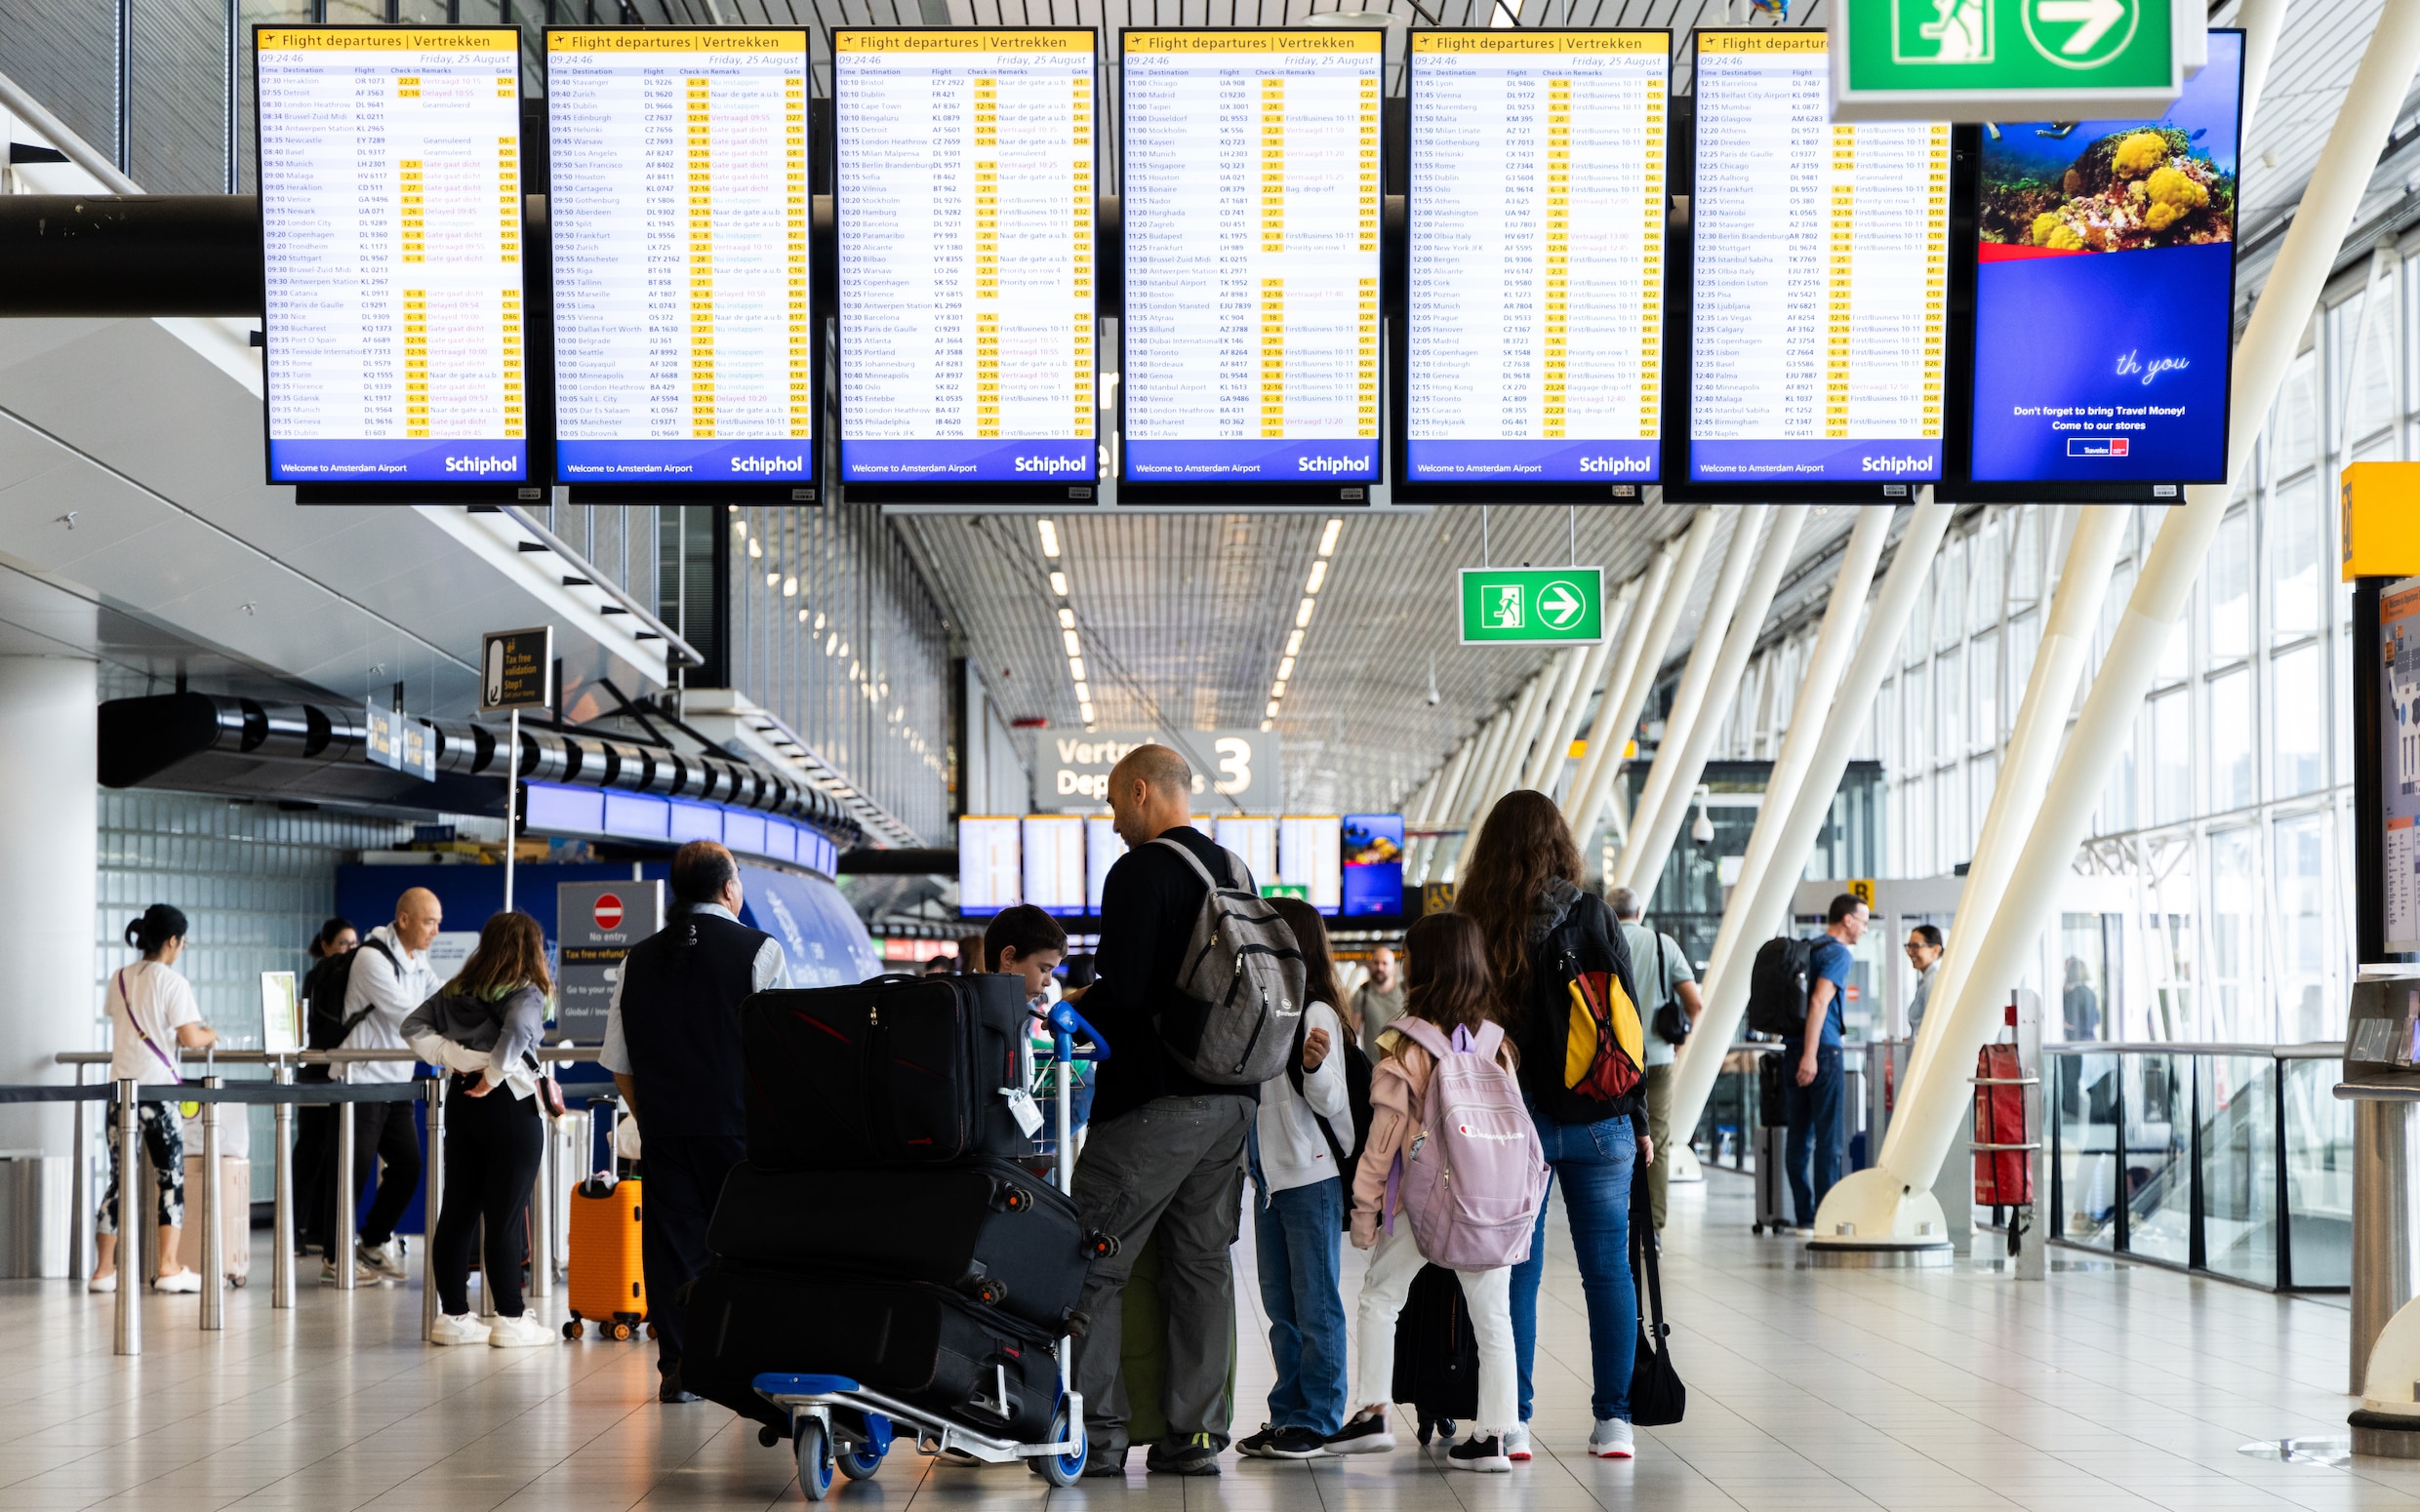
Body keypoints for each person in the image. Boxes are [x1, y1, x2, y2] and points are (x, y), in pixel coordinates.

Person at [1061, 743, 1257, 1477]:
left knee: (1086, 1260)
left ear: (1141, 792)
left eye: (1114, 804)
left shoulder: (1141, 871)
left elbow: (1130, 990)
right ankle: (1196, 1435)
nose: (1113, 822)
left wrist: (1078, 1004)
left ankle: (1100, 1436)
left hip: (1155, 1102)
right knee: (1202, 1266)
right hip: (1233, 1101)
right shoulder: (1232, 869)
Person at [1455, 790, 1645, 1462]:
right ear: (1560, 843)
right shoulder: (1591, 911)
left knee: (1518, 1272)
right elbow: (1624, 1020)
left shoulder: (1476, 918)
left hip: (1511, 1123)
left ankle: (1515, 1422)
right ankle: (1614, 1424)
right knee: (1608, 1273)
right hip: (1600, 1115)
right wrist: (1639, 1117)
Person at [1333, 912, 1522, 1472]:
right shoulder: (1499, 1047)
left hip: (1427, 1206)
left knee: (1380, 1297)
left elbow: (1381, 1144)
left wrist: (1365, 1214)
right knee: (1494, 1320)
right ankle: (1493, 1438)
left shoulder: (1408, 1050)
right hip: (1489, 1205)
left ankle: (1372, 1410)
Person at [602, 840, 787, 1402]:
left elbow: (618, 1061)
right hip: (740, 1130)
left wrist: (651, 1115)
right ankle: (747, 1361)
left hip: (665, 1129)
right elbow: (782, 1051)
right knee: (749, 1244)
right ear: (729, 888)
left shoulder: (638, 958)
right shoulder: (759, 950)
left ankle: (679, 1367)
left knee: (673, 1246)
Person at [402, 911, 555, 1348]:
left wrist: (455, 1057)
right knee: (505, 1218)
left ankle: (453, 1316)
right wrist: (493, 1073)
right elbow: (520, 1031)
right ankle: (509, 1316)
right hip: (508, 1105)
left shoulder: (456, 989)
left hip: (462, 1103)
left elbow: (411, 1026)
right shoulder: (527, 989)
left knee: (458, 1212)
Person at [1237, 896, 1351, 1462]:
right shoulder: (1267, 1009)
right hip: (1270, 1184)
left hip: (1312, 1178)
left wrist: (1311, 1065)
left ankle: (1321, 1419)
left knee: (1316, 1304)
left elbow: (1332, 1100)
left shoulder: (1317, 1014)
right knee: (1281, 1306)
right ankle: (1288, 1415)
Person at [91, 904, 218, 1294]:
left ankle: (103, 1271)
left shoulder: (120, 979)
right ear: (173, 941)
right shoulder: (172, 982)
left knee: (118, 1180)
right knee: (170, 1178)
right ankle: (167, 1266)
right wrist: (212, 1033)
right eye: (184, 941)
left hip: (120, 1094)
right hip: (159, 1095)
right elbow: (190, 1038)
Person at [326, 887, 441, 1286]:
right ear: (404, 919)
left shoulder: (417, 959)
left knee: (408, 1167)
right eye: (429, 922)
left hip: (396, 1082)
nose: (435, 931)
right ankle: (332, 1256)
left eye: (438, 923)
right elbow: (408, 1016)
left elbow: (438, 1000)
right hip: (360, 1081)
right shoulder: (372, 958)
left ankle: (372, 1242)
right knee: (352, 1171)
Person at [1609, 887, 1701, 1235]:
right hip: (1658, 1057)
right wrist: (1678, 1044)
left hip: (1612, 1060)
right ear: (1639, 910)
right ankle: (1653, 1227)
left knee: (1611, 1135)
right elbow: (1694, 1003)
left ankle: (1617, 1218)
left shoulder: (1604, 942)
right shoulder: (1664, 945)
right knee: (1657, 1141)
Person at [1787, 894, 1869, 1232]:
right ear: (1847, 919)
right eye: (1863, 921)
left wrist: (1802, 1052)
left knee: (1798, 1138)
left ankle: (1806, 1215)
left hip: (1793, 1049)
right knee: (1828, 1141)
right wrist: (1811, 1054)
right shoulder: (1837, 952)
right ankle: (1825, 1216)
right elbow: (1819, 1000)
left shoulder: (1811, 948)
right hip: (1821, 1052)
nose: (1865, 929)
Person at [1353, 943, 1405, 1058]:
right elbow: (1354, 1029)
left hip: (1401, 1063)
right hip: (1373, 1066)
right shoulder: (1362, 993)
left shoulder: (1405, 992)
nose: (1380, 968)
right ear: (1370, 965)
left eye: (1385, 963)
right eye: (1376, 962)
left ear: (1393, 968)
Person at [1904, 924, 1945, 1035]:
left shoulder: (1934, 979)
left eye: (1916, 946)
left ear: (1935, 949)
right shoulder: (1928, 978)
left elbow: (1933, 1026)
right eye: (1908, 946)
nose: (1909, 952)